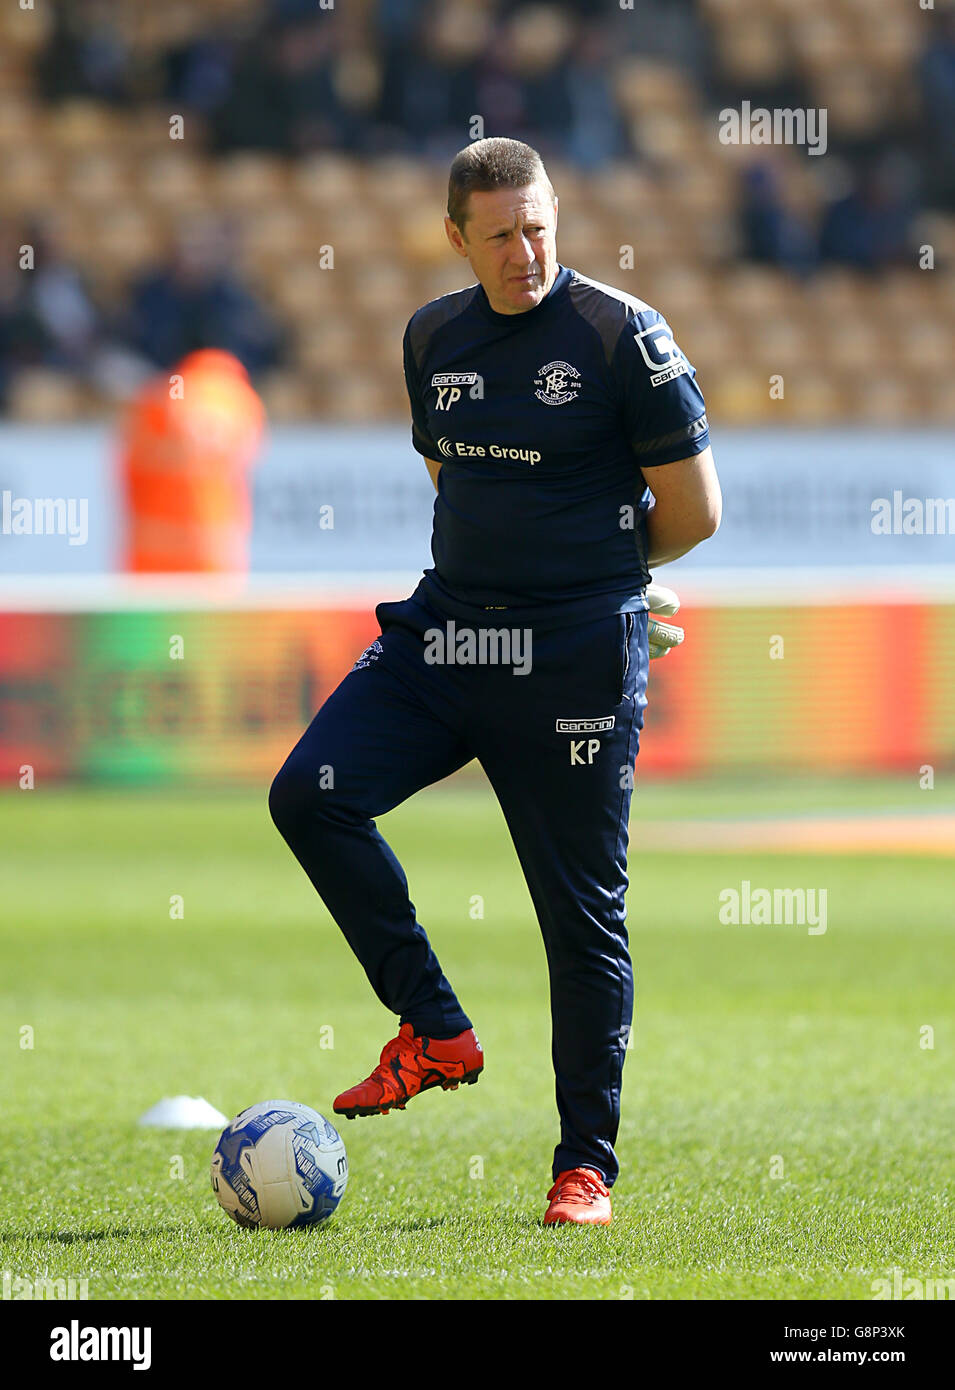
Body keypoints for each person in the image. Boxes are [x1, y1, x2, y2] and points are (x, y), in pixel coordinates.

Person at [269, 137, 721, 1225]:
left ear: (556, 217)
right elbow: (452, 473)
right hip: (450, 635)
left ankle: (584, 1168)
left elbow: (694, 510)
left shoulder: (624, 336)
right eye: (502, 234)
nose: (525, 251)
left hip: (572, 657)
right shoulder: (432, 335)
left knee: (579, 920)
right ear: (455, 238)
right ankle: (433, 1026)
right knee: (310, 794)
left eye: (538, 227)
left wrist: (606, 584)